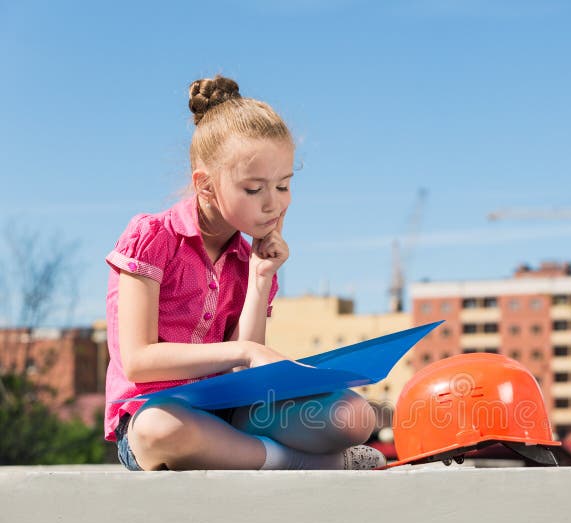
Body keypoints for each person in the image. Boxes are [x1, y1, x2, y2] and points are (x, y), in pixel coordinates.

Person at [104, 75, 385, 471]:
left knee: (354, 415)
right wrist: (246, 351)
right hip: (157, 416)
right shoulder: (153, 237)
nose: (273, 204)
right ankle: (301, 463)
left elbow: (244, 375)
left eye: (283, 186)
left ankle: (265, 454)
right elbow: (138, 361)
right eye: (254, 189)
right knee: (158, 428)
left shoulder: (247, 255)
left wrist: (260, 277)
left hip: (233, 415)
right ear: (205, 186)